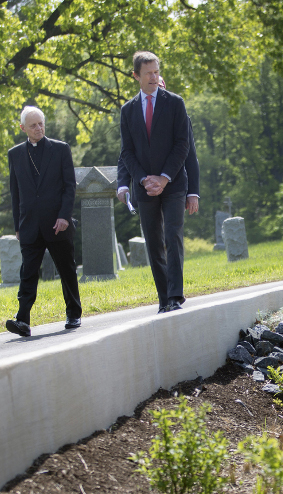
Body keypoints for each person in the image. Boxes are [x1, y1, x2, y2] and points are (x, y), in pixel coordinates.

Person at [118, 52, 193, 313]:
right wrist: (142, 179)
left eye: (156, 71)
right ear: (136, 75)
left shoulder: (174, 103)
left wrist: (163, 178)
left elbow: (182, 145)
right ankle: (164, 299)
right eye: (148, 73)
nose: (154, 77)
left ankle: (175, 294)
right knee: (153, 241)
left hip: (172, 183)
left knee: (172, 236)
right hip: (145, 186)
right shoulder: (127, 110)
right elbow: (126, 151)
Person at [5, 106, 81, 337]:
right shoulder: (15, 154)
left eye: (41, 124)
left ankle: (74, 313)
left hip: (57, 222)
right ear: (22, 128)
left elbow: (70, 186)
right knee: (28, 272)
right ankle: (23, 320)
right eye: (33, 125)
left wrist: (64, 216)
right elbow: (15, 192)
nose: (38, 128)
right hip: (29, 224)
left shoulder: (60, 149)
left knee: (66, 269)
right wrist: (18, 225)